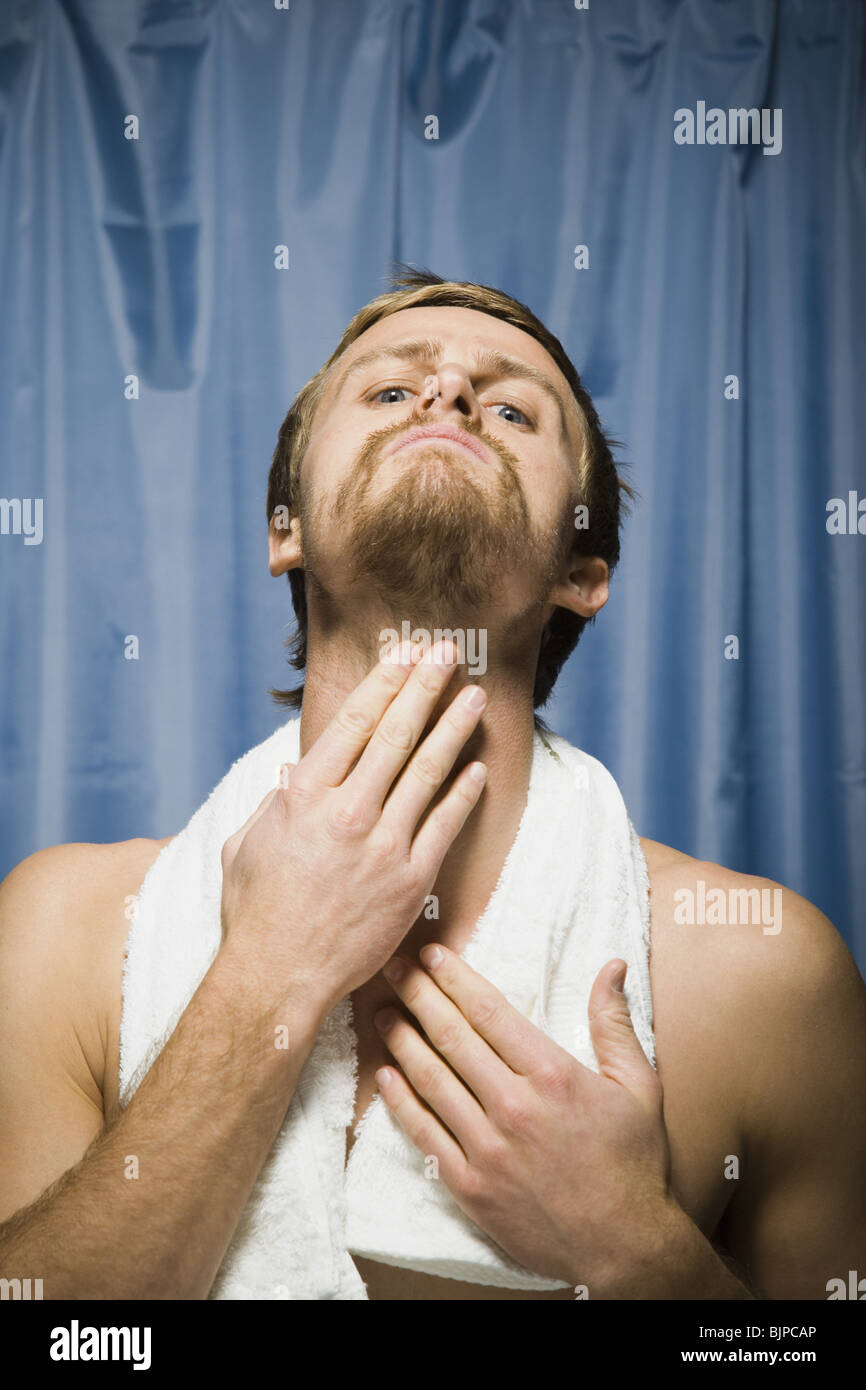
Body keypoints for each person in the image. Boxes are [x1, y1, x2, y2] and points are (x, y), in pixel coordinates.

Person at [1, 269, 864, 1300]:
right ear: (289, 528)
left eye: (509, 408)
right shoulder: (64, 931)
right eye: (385, 391)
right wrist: (268, 972)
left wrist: (633, 1248)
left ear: (579, 574)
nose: (446, 392)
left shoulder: (760, 972)